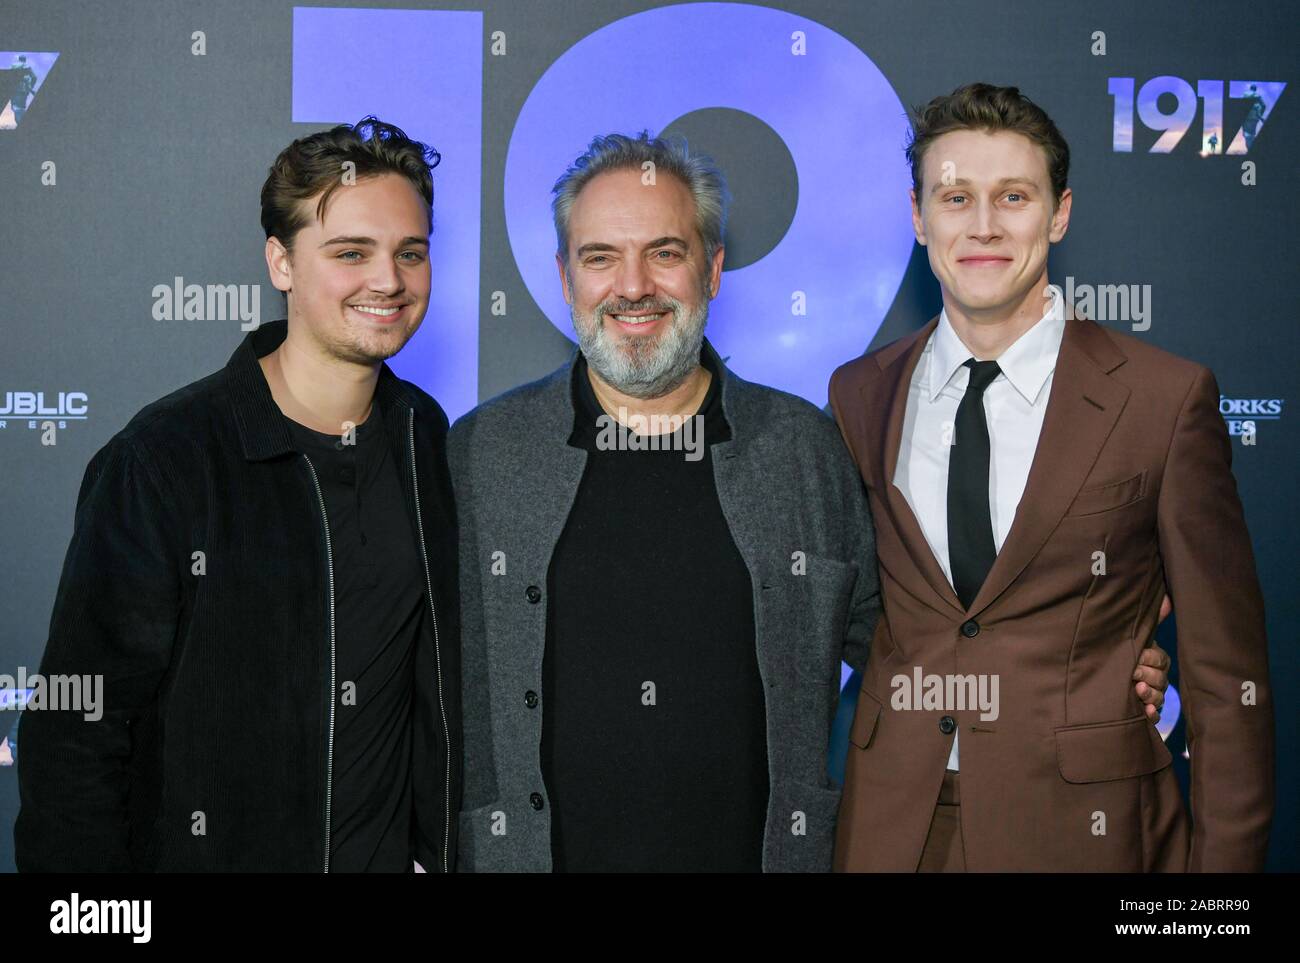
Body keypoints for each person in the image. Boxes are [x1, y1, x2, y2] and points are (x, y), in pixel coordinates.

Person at [451, 130, 1169, 872]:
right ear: (566, 277)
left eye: (666, 253)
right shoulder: (478, 456)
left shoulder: (804, 448)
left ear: (714, 269)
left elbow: (919, 639)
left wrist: (1098, 661)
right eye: (600, 256)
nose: (633, 286)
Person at [829, 83, 1273, 872]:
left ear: (1059, 214)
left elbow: (1226, 678)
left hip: (1085, 831)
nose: (984, 226)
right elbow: (864, 608)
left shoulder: (1163, 398)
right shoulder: (860, 393)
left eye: (1014, 196)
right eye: (956, 196)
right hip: (893, 825)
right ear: (918, 215)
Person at [15, 117, 460, 873]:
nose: (387, 279)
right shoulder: (164, 460)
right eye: (350, 251)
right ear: (280, 262)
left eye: (408, 253)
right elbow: (75, 733)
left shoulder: (425, 435)